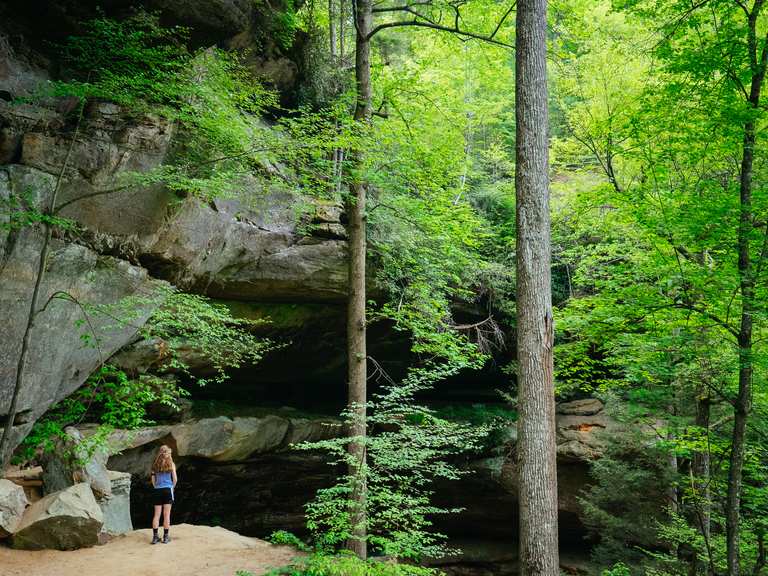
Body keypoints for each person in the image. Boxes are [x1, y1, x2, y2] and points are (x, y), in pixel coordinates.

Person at [149, 445, 177, 544]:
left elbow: (153, 480)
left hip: (157, 490)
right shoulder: (171, 464)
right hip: (168, 489)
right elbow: (175, 479)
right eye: (168, 453)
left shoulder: (155, 465)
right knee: (166, 515)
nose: (169, 455)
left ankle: (155, 538)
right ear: (164, 453)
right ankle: (165, 537)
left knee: (156, 515)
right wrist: (171, 487)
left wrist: (156, 486)